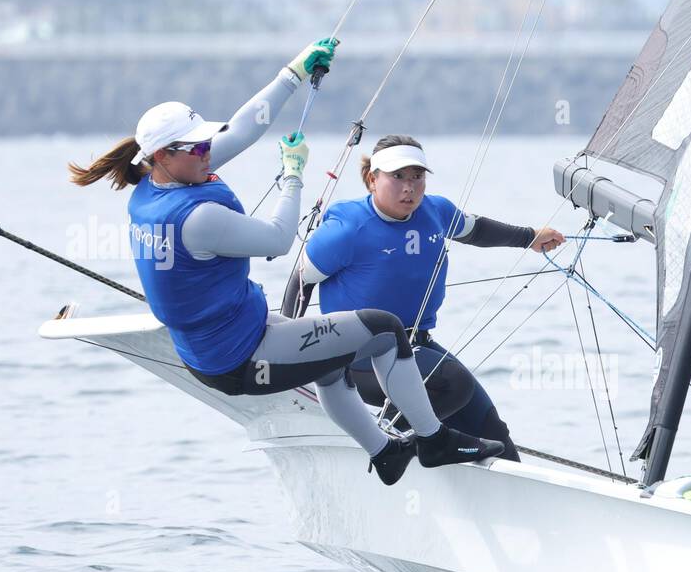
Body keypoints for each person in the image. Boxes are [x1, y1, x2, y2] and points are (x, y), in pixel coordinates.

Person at [67, 42, 502, 485]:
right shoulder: (196, 218)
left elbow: (242, 129)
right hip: (242, 358)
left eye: (204, 143)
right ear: (163, 155)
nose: (206, 151)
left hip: (225, 343)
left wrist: (293, 72)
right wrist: (293, 173)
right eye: (196, 147)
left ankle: (387, 454)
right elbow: (278, 240)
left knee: (332, 361)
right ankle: (434, 441)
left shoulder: (155, 183)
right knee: (385, 330)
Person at [296, 135, 565, 461]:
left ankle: (434, 453)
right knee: (454, 383)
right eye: (397, 177)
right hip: (357, 357)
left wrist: (530, 238)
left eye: (417, 176)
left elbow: (476, 230)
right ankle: (409, 448)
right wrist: (293, 364)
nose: (409, 187)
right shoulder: (348, 227)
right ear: (372, 179)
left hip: (414, 346)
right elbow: (300, 281)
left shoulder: (435, 211)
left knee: (496, 438)